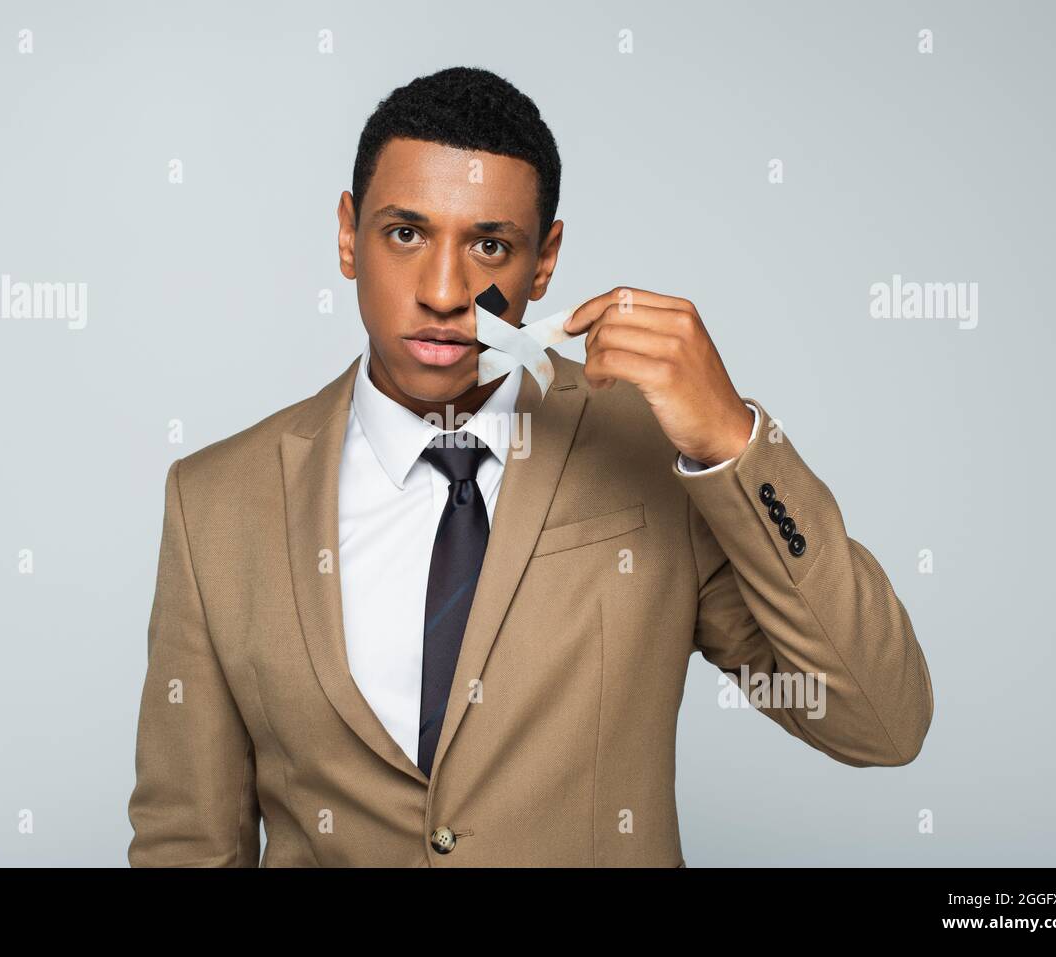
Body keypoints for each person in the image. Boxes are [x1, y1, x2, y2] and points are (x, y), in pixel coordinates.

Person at [126, 65, 933, 867]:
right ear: (348, 233)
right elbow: (186, 846)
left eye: (489, 244)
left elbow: (879, 720)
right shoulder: (215, 504)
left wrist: (731, 440)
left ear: (543, 261)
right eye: (405, 233)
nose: (445, 291)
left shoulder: (655, 459)